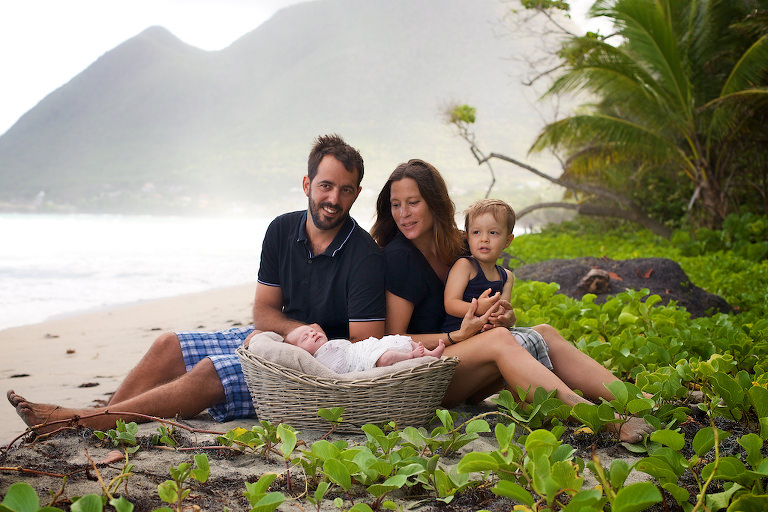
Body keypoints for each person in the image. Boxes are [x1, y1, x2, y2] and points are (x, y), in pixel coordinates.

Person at [8, 134, 386, 432]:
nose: (333, 199)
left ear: (356, 193)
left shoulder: (364, 255)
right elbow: (263, 312)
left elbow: (361, 348)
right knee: (167, 345)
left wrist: (303, 345)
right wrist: (293, 331)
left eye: (346, 189)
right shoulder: (280, 230)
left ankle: (83, 421)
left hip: (314, 370)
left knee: (210, 371)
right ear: (307, 184)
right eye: (325, 186)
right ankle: (101, 423)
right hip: (278, 340)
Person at [370, 159, 654, 443]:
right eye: (396, 205)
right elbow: (394, 338)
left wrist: (504, 317)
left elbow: (493, 302)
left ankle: (637, 399)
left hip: (467, 363)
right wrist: (456, 335)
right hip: (429, 375)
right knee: (500, 341)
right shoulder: (400, 257)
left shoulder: (459, 244)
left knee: (542, 332)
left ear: (434, 203)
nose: (403, 214)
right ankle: (601, 419)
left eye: (413, 203)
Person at [442, 198, 552, 370]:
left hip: (491, 336)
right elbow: (450, 304)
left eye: (493, 233)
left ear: (507, 240)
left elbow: (502, 309)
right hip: (462, 341)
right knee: (520, 341)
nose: (484, 239)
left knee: (537, 335)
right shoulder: (465, 266)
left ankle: (534, 388)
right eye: (476, 232)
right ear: (467, 236)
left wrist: (504, 318)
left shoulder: (506, 276)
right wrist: (478, 309)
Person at [276, 324, 445, 373]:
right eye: (305, 337)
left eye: (312, 331)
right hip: (363, 361)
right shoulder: (318, 360)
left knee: (398, 339)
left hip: (366, 347)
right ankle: (411, 357)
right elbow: (336, 370)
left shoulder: (328, 344)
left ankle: (430, 354)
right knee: (385, 358)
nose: (312, 334)